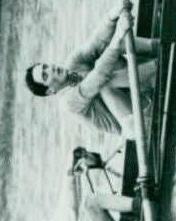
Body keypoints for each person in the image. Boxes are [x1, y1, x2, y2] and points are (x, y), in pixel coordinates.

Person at [25, 11, 156, 145]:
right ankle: (159, 63)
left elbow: (97, 41)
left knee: (104, 47)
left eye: (46, 66)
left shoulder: (73, 62)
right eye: (45, 75)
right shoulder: (68, 102)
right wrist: (119, 33)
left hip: (140, 92)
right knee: (104, 83)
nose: (50, 69)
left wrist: (113, 15)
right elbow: (100, 76)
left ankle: (156, 47)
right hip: (136, 123)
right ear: (51, 91)